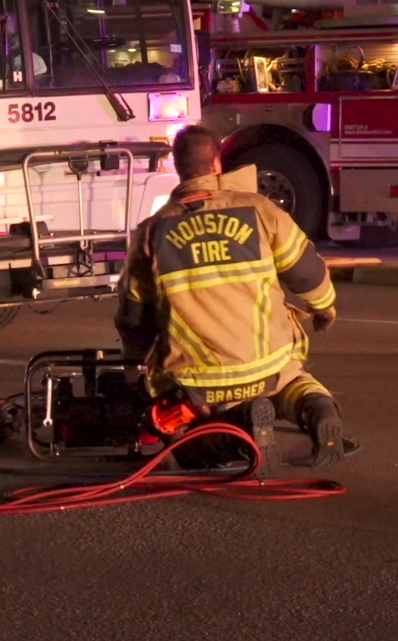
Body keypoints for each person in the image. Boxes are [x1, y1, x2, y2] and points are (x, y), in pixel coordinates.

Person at [115, 125, 344, 473]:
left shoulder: (152, 232)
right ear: (217, 163)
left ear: (178, 168)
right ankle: (317, 408)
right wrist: (325, 308)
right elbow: (307, 272)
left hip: (196, 383)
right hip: (267, 365)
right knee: (291, 379)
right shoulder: (259, 210)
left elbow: (134, 316)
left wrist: (136, 360)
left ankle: (236, 435)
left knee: (183, 435)